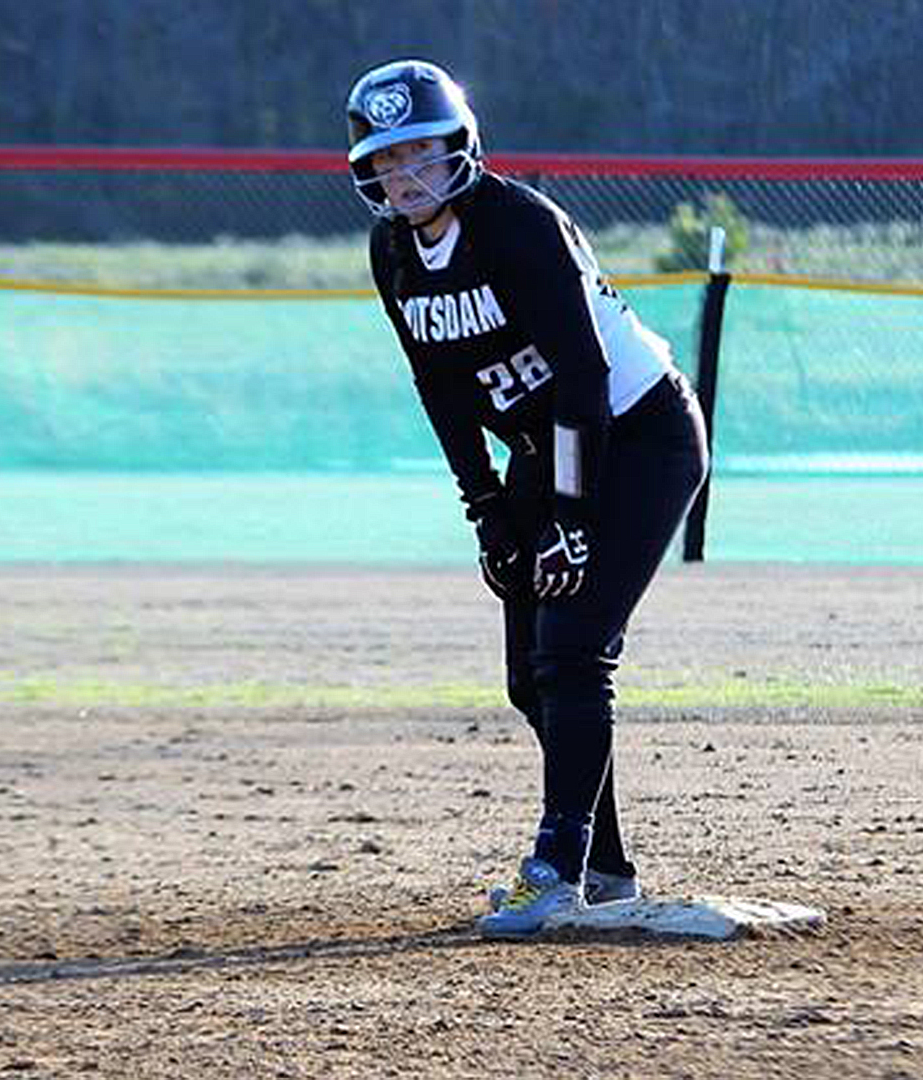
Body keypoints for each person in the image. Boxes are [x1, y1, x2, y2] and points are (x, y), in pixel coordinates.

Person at [346, 59, 710, 938]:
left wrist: (571, 522)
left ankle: (556, 868)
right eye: (388, 159)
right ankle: (606, 869)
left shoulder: (519, 226)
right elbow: (438, 387)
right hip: (546, 450)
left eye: (422, 151)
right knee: (529, 679)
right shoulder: (393, 254)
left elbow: (584, 376)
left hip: (639, 433)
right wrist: (488, 510)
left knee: (574, 648)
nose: (407, 175)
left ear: (460, 146)